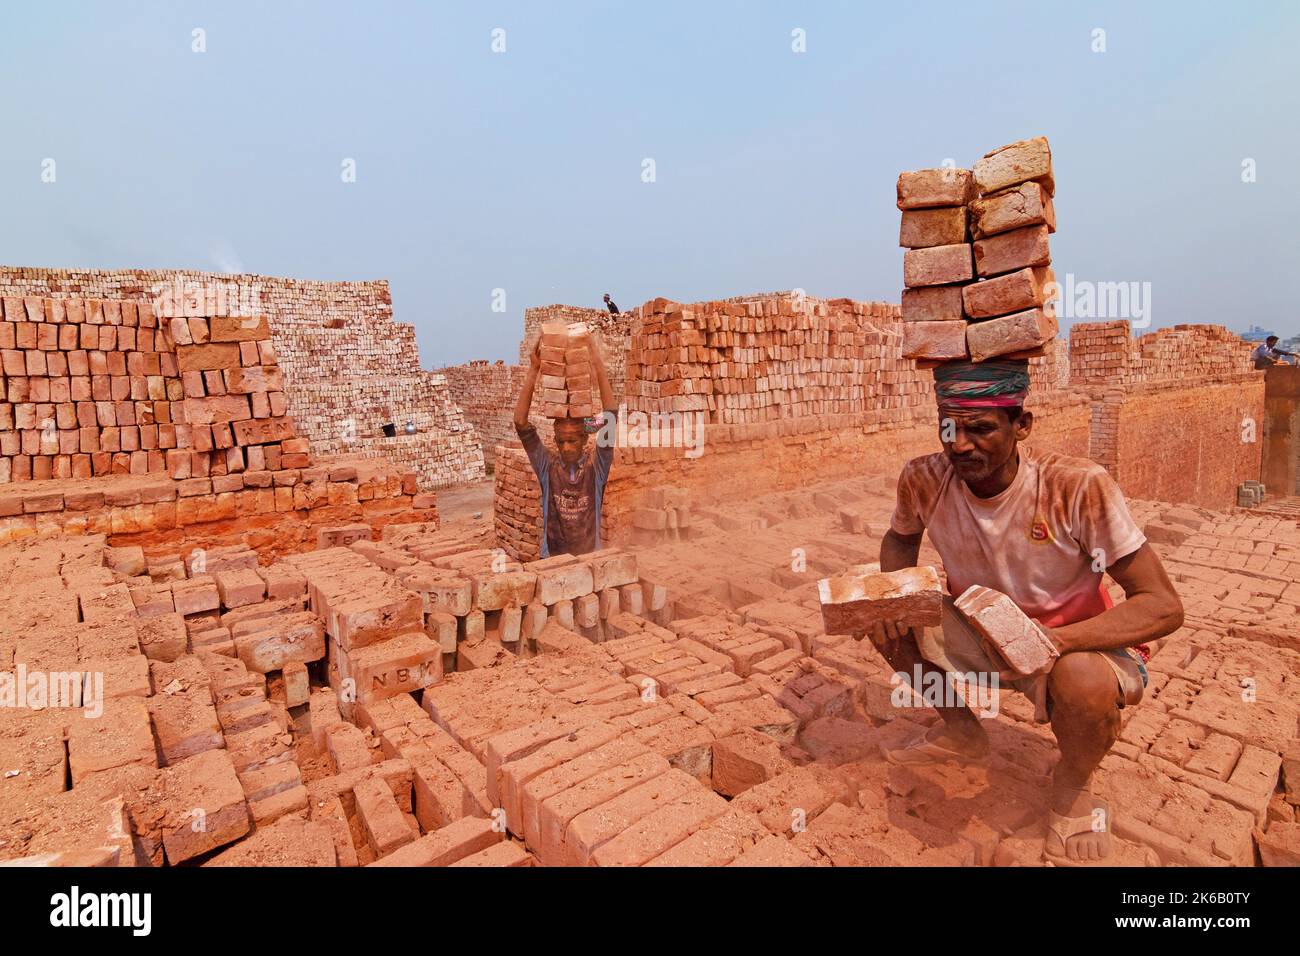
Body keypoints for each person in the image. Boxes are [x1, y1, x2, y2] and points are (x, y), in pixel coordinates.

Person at [863, 358, 1184, 863]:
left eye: (981, 428)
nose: (960, 443)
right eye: (949, 426)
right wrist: (890, 590)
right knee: (886, 617)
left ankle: (1073, 788)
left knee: (1083, 682)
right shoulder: (924, 479)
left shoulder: (1076, 486)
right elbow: (899, 539)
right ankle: (963, 733)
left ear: (1022, 425)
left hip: (1073, 643)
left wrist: (1055, 641)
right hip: (980, 630)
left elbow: (1163, 606)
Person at [512, 331, 617, 557]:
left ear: (585, 439)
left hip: (590, 560)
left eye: (572, 440)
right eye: (561, 441)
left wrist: (596, 360)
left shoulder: (597, 467)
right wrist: (534, 369)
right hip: (551, 559)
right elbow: (520, 422)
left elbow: (610, 417)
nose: (566, 447)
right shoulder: (546, 466)